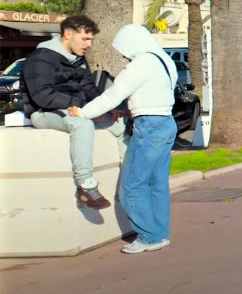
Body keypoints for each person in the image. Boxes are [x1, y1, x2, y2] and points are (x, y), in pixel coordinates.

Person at [70, 24, 177, 254]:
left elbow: (114, 93)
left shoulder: (141, 63)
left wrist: (83, 112)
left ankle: (148, 237)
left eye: (124, 49)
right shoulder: (163, 60)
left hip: (149, 127)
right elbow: (157, 93)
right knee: (157, 185)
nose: (124, 55)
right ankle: (159, 234)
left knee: (132, 186)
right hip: (166, 123)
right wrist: (132, 109)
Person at [19, 14, 126, 210]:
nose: (89, 44)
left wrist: (105, 107)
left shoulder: (77, 58)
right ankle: (85, 185)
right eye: (85, 38)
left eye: (91, 39)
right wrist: (81, 108)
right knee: (82, 125)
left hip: (74, 109)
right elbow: (42, 96)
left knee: (119, 124)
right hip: (44, 112)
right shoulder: (40, 59)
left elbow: (88, 88)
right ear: (68, 34)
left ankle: (129, 179)